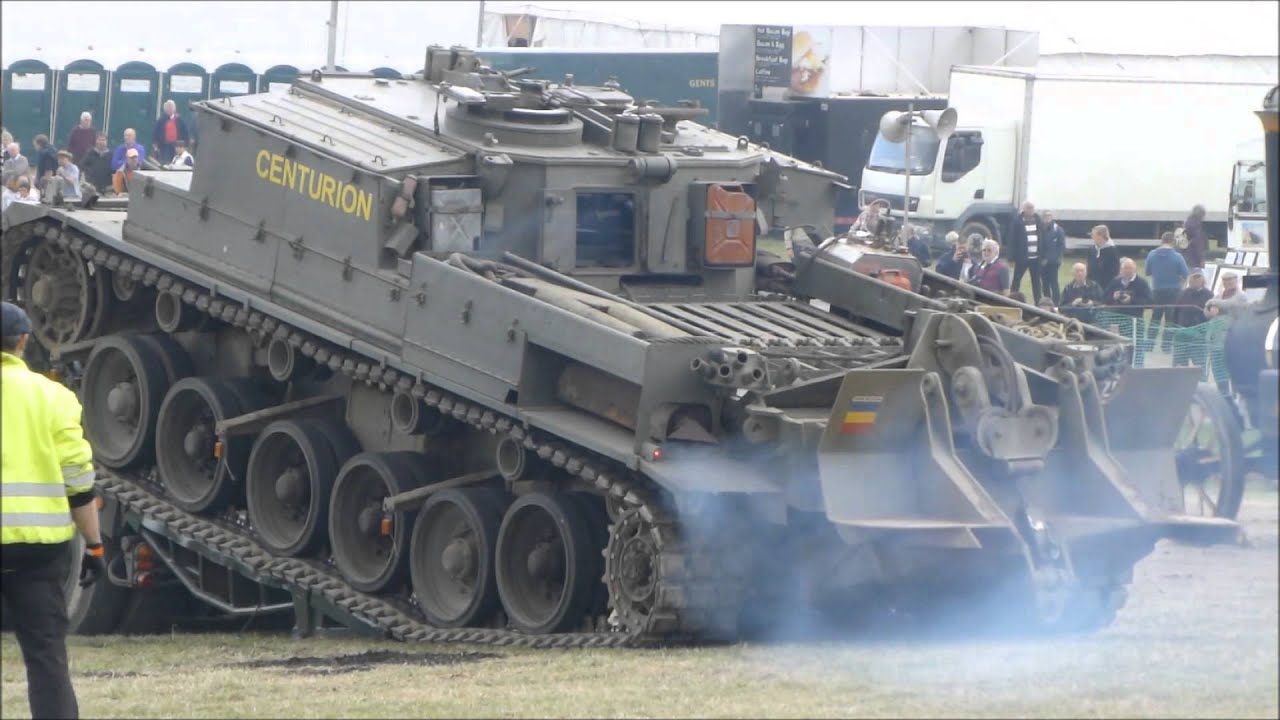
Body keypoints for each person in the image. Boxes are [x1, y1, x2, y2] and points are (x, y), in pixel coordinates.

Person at [2, 301, 105, 720]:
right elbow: (79, 481)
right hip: (37, 555)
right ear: (24, 342)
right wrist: (95, 546)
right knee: (46, 657)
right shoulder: (54, 397)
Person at [1144, 231, 1190, 352]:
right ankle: (1166, 346)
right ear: (1172, 242)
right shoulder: (1177, 257)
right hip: (1174, 291)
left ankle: (1149, 345)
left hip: (1157, 290)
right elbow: (1186, 274)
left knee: (1155, 318)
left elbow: (1147, 272)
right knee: (1170, 319)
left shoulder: (1152, 255)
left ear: (1162, 240)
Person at [1008, 200, 1043, 302]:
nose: (1031, 210)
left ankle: (1038, 303)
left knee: (1036, 282)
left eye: (1032, 208)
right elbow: (1012, 239)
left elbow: (1042, 237)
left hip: (1035, 258)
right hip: (1022, 257)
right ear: (1024, 209)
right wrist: (1011, 256)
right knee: (1016, 280)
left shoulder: (1038, 219)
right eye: (1029, 208)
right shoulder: (1017, 220)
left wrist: (1043, 255)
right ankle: (1012, 300)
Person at [151, 100, 190, 166]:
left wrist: (186, 145)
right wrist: (155, 144)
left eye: (171, 107)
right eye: (168, 107)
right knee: (165, 162)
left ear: (174, 108)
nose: (169, 109)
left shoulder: (180, 120)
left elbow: (185, 133)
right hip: (164, 146)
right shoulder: (161, 120)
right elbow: (155, 133)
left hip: (177, 146)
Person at [1039, 210, 1066, 305]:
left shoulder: (1058, 230)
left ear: (1052, 217)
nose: (1047, 218)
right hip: (1042, 262)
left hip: (1053, 262)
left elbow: (1061, 246)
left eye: (1049, 216)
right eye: (1045, 216)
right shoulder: (1040, 229)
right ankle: (1047, 302)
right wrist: (1042, 259)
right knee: (1045, 283)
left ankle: (1056, 302)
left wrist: (1050, 259)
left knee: (1054, 282)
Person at [1087, 224, 1120, 289]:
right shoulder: (1092, 249)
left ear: (1100, 236)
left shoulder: (1112, 251)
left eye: (1093, 235)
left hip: (1106, 285)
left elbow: (1114, 271)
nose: (1092, 237)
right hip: (1092, 285)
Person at [1181, 204, 1209, 270]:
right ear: (1201, 214)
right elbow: (1198, 244)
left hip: (1186, 256)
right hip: (1194, 259)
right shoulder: (1196, 226)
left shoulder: (1187, 223)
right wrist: (1201, 259)